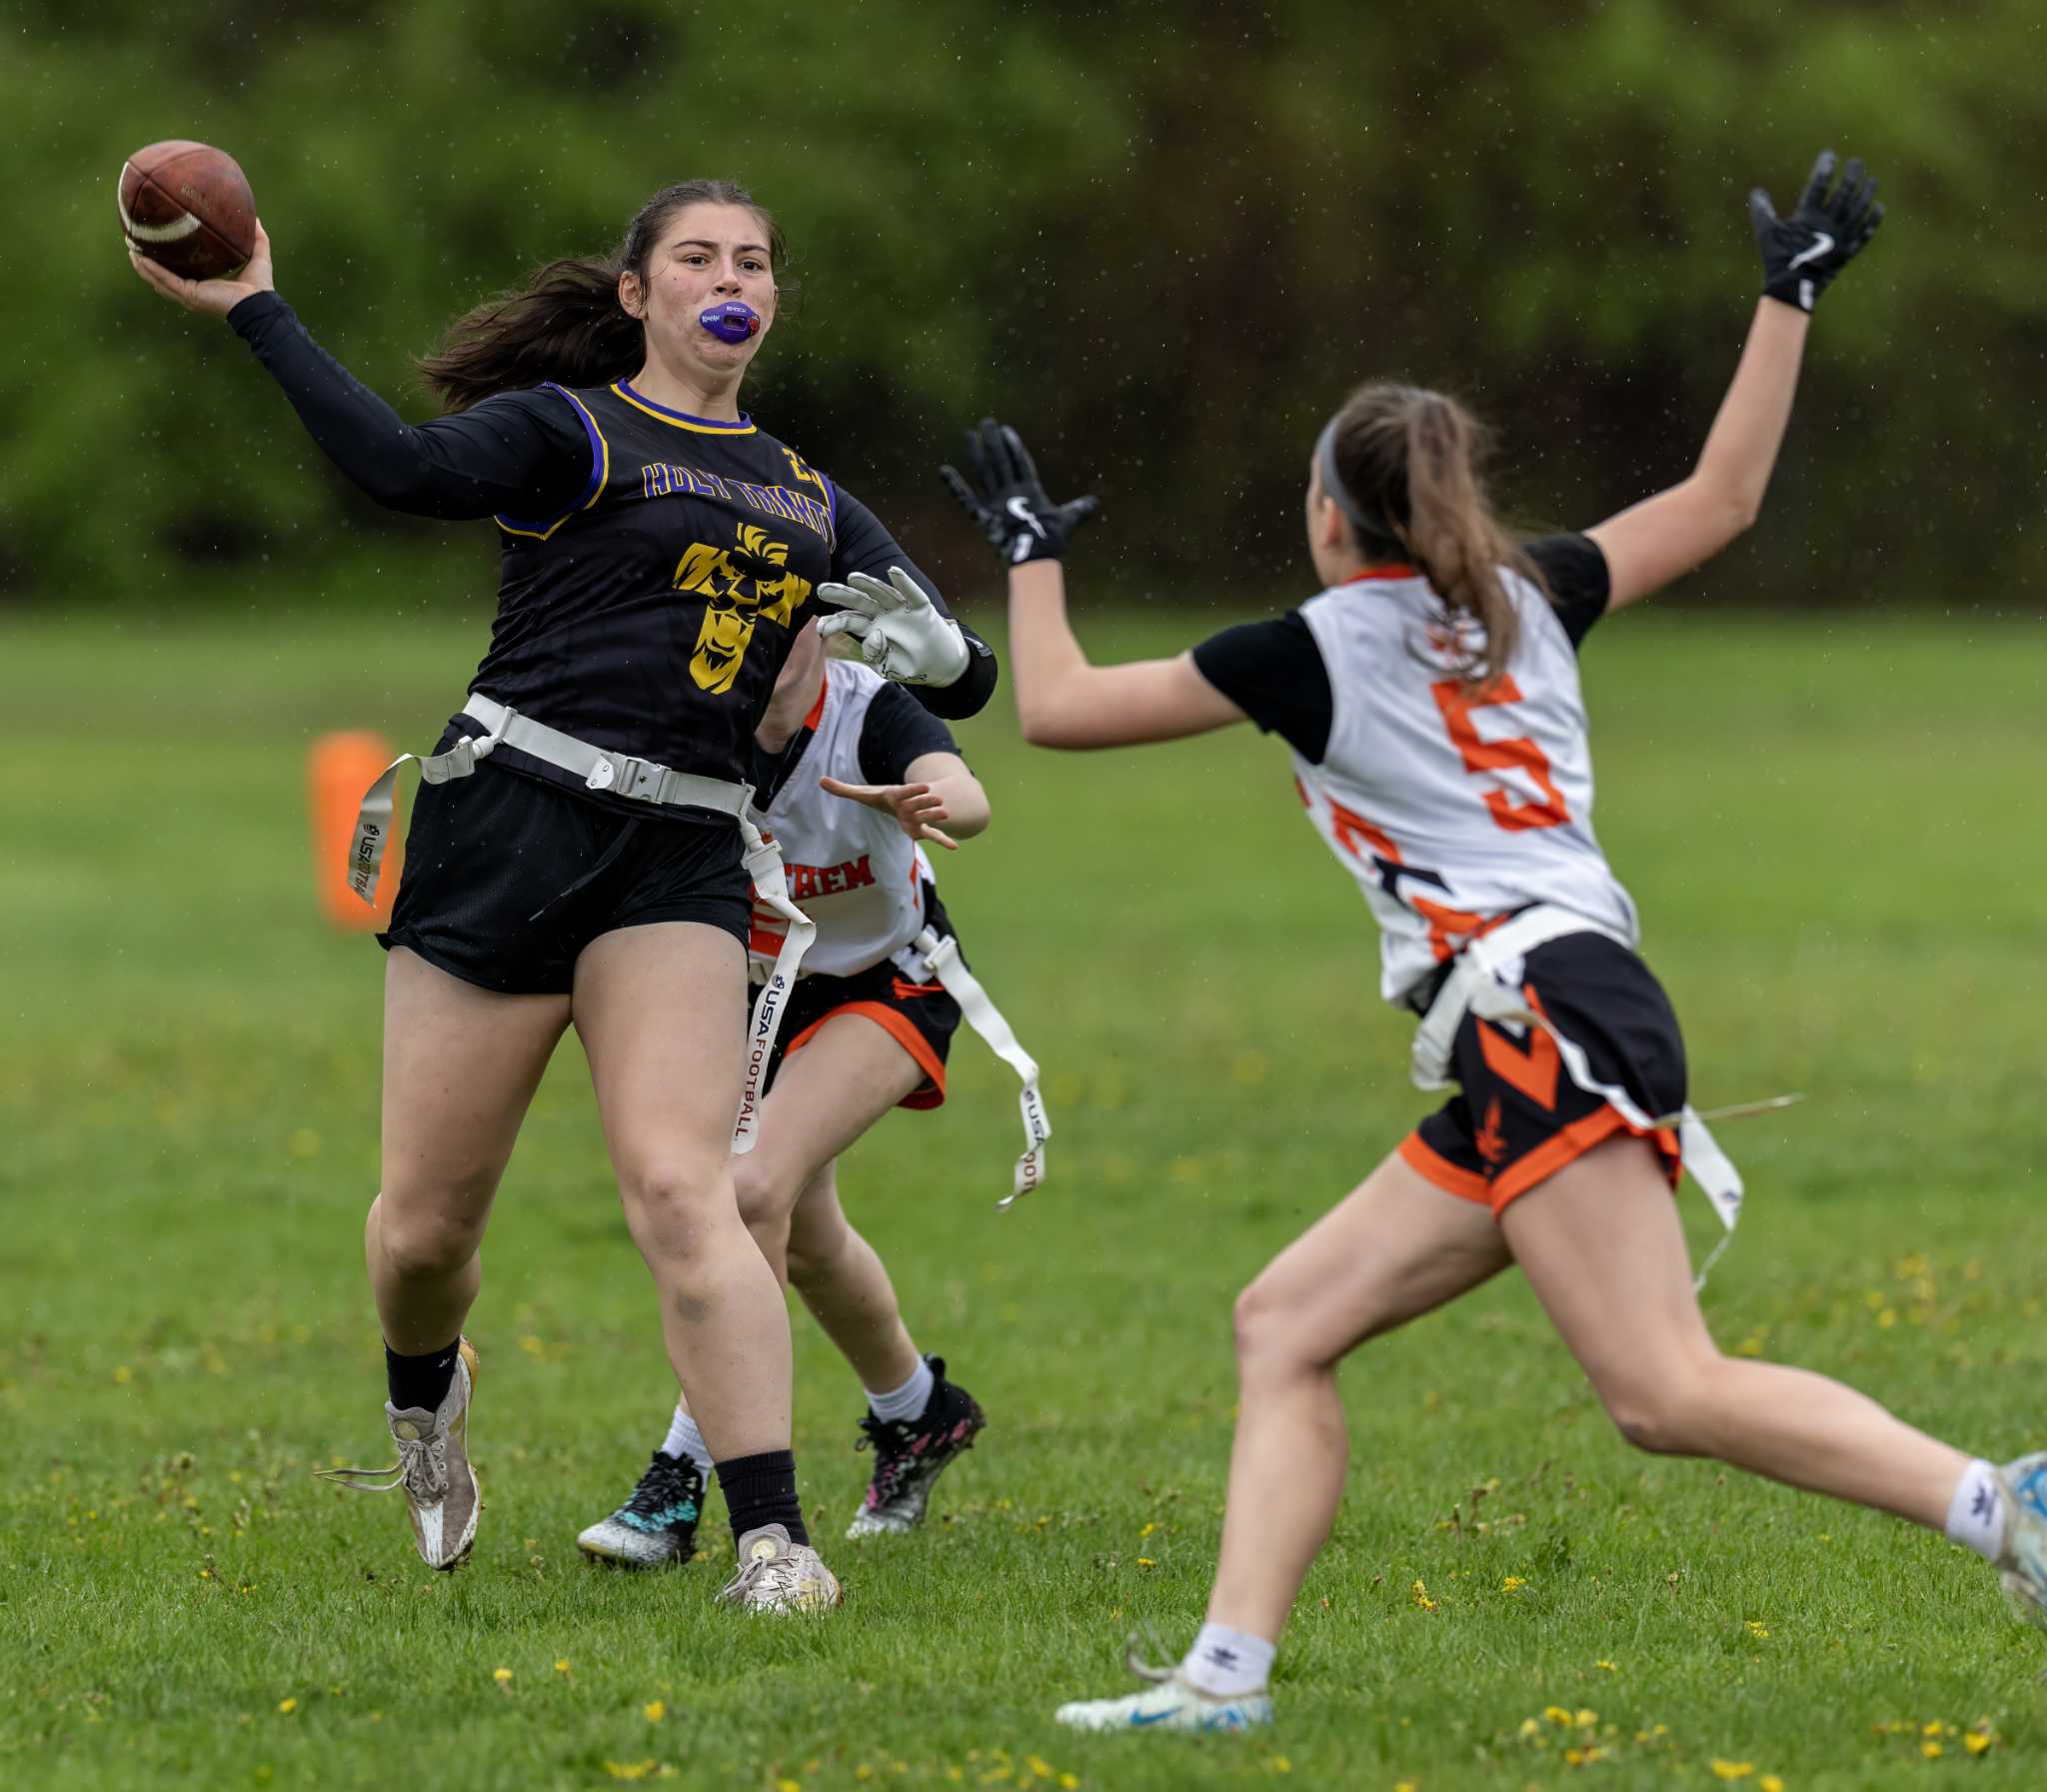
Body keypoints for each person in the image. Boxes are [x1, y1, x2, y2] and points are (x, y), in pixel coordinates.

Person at [943, 152, 2047, 1733]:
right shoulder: (1538, 589)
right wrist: (1785, 290)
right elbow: (1725, 499)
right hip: (1552, 1008)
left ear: (1331, 514)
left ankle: (2006, 1507)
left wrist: (1033, 545)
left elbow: (1053, 710)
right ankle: (1224, 1683)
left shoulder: (1310, 648)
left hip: (1539, 1008)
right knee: (1287, 1319)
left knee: (1664, 1392)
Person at [127, 178, 1000, 1611]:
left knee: (684, 1186)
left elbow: (965, 679)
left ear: (774, 301)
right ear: (639, 296)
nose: (733, 278)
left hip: (679, 859)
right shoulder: (574, 430)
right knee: (423, 1235)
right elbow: (401, 470)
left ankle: (773, 1543)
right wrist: (256, 311)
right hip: (510, 827)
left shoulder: (807, 493)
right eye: (700, 257)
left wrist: (934, 648)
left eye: (757, 261)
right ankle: (428, 1403)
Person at [577, 619, 1017, 1567]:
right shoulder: (692, 712)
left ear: (823, 631)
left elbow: (966, 792)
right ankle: (919, 1413)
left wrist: (936, 801)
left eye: (791, 630)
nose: (767, 656)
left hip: (889, 977)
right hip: (751, 994)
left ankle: (683, 1476)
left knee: (753, 1190)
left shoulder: (867, 709)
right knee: (805, 1237)